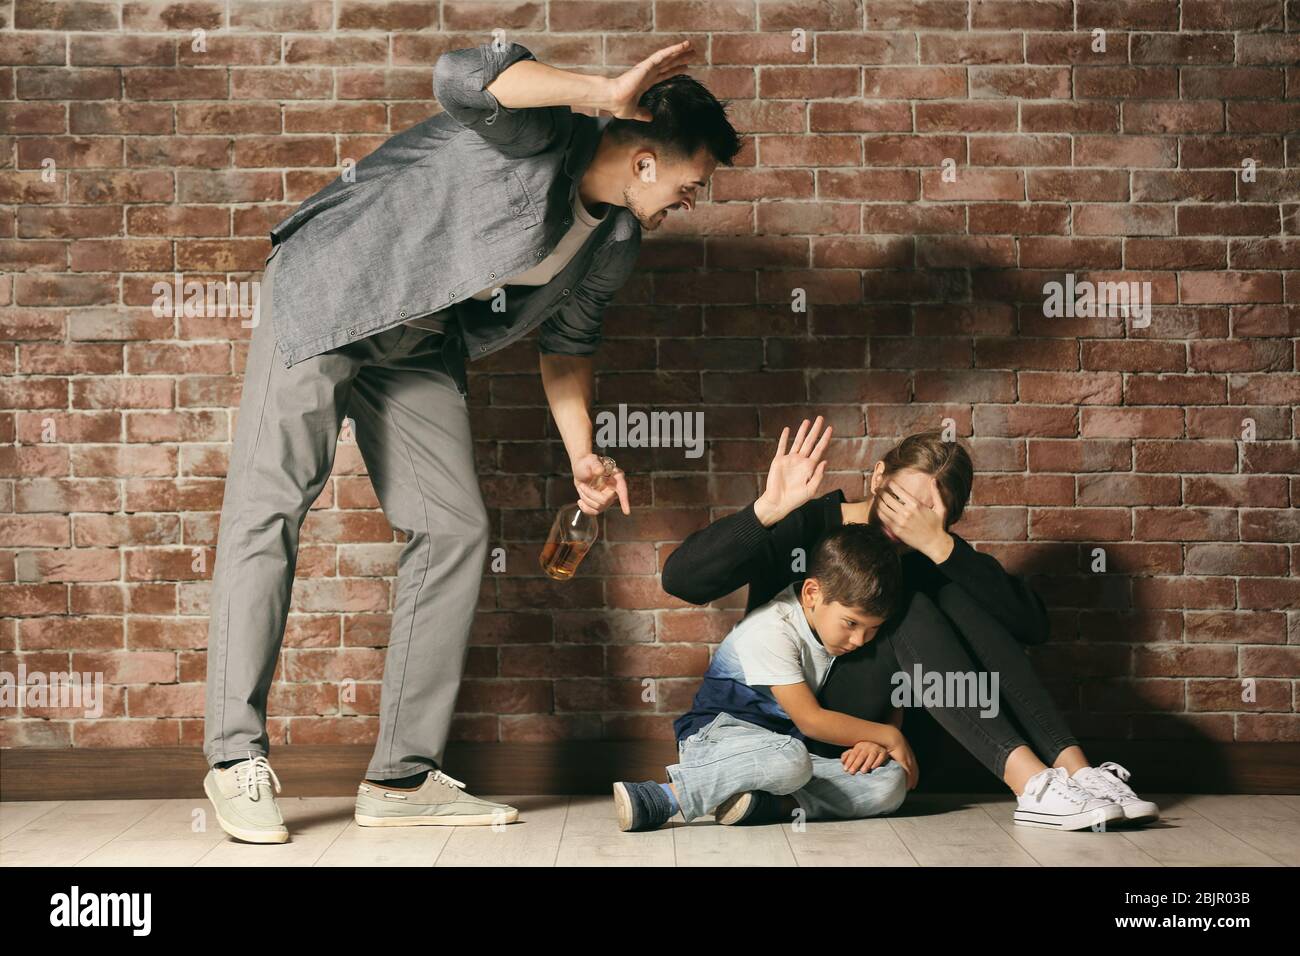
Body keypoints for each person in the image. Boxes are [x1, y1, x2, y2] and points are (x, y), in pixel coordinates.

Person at [202, 38, 741, 843]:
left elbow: (568, 347)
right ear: (642, 161)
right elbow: (463, 73)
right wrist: (601, 89)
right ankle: (232, 759)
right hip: (335, 288)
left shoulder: (615, 243)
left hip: (416, 343)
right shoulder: (543, 133)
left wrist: (583, 454)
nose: (690, 201)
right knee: (270, 507)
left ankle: (401, 776)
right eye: (690, 184)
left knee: (455, 528)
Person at [660, 420, 1160, 831]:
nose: (902, 522)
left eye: (927, 513)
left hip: (880, 737)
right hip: (788, 713)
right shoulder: (809, 522)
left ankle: (1077, 772)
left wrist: (940, 547)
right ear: (878, 477)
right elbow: (681, 579)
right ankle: (1029, 782)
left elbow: (1030, 628)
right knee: (911, 602)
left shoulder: (928, 550)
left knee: (930, 588)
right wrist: (767, 511)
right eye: (899, 498)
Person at [613, 523, 911, 831]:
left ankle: (763, 805)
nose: (861, 639)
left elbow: (886, 691)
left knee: (890, 781)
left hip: (781, 752)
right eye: (851, 623)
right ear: (812, 593)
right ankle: (662, 796)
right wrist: (889, 736)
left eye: (872, 629)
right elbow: (810, 721)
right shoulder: (773, 628)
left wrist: (874, 741)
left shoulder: (835, 628)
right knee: (791, 759)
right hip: (717, 740)